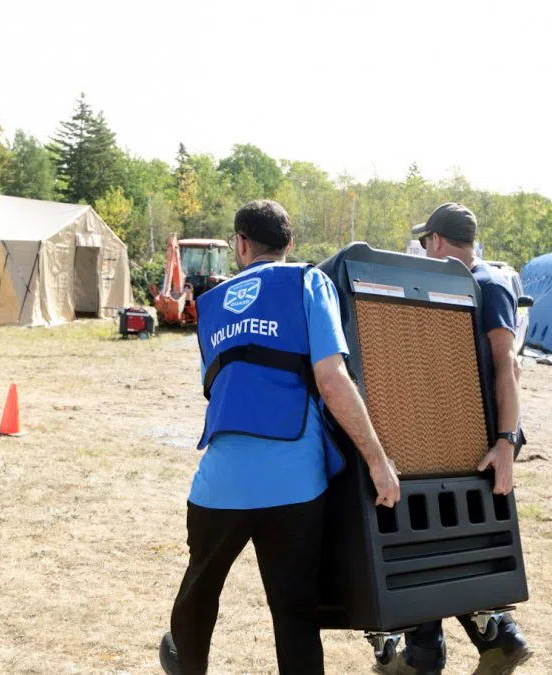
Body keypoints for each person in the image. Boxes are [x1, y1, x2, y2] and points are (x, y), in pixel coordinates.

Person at [159, 200, 401, 675]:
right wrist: (377, 460)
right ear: (290, 243)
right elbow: (332, 380)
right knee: (295, 614)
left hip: (220, 483)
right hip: (295, 484)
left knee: (199, 593)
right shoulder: (308, 281)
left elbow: (220, 387)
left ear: (240, 245)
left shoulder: (210, 304)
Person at [378, 203, 532, 675]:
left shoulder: (486, 283)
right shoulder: (458, 284)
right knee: (446, 544)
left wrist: (505, 442)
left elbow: (508, 365)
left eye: (426, 242)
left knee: (433, 544)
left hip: (479, 441)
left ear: (438, 241)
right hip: (453, 433)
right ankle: (489, 642)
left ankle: (438, 653)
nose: (425, 250)